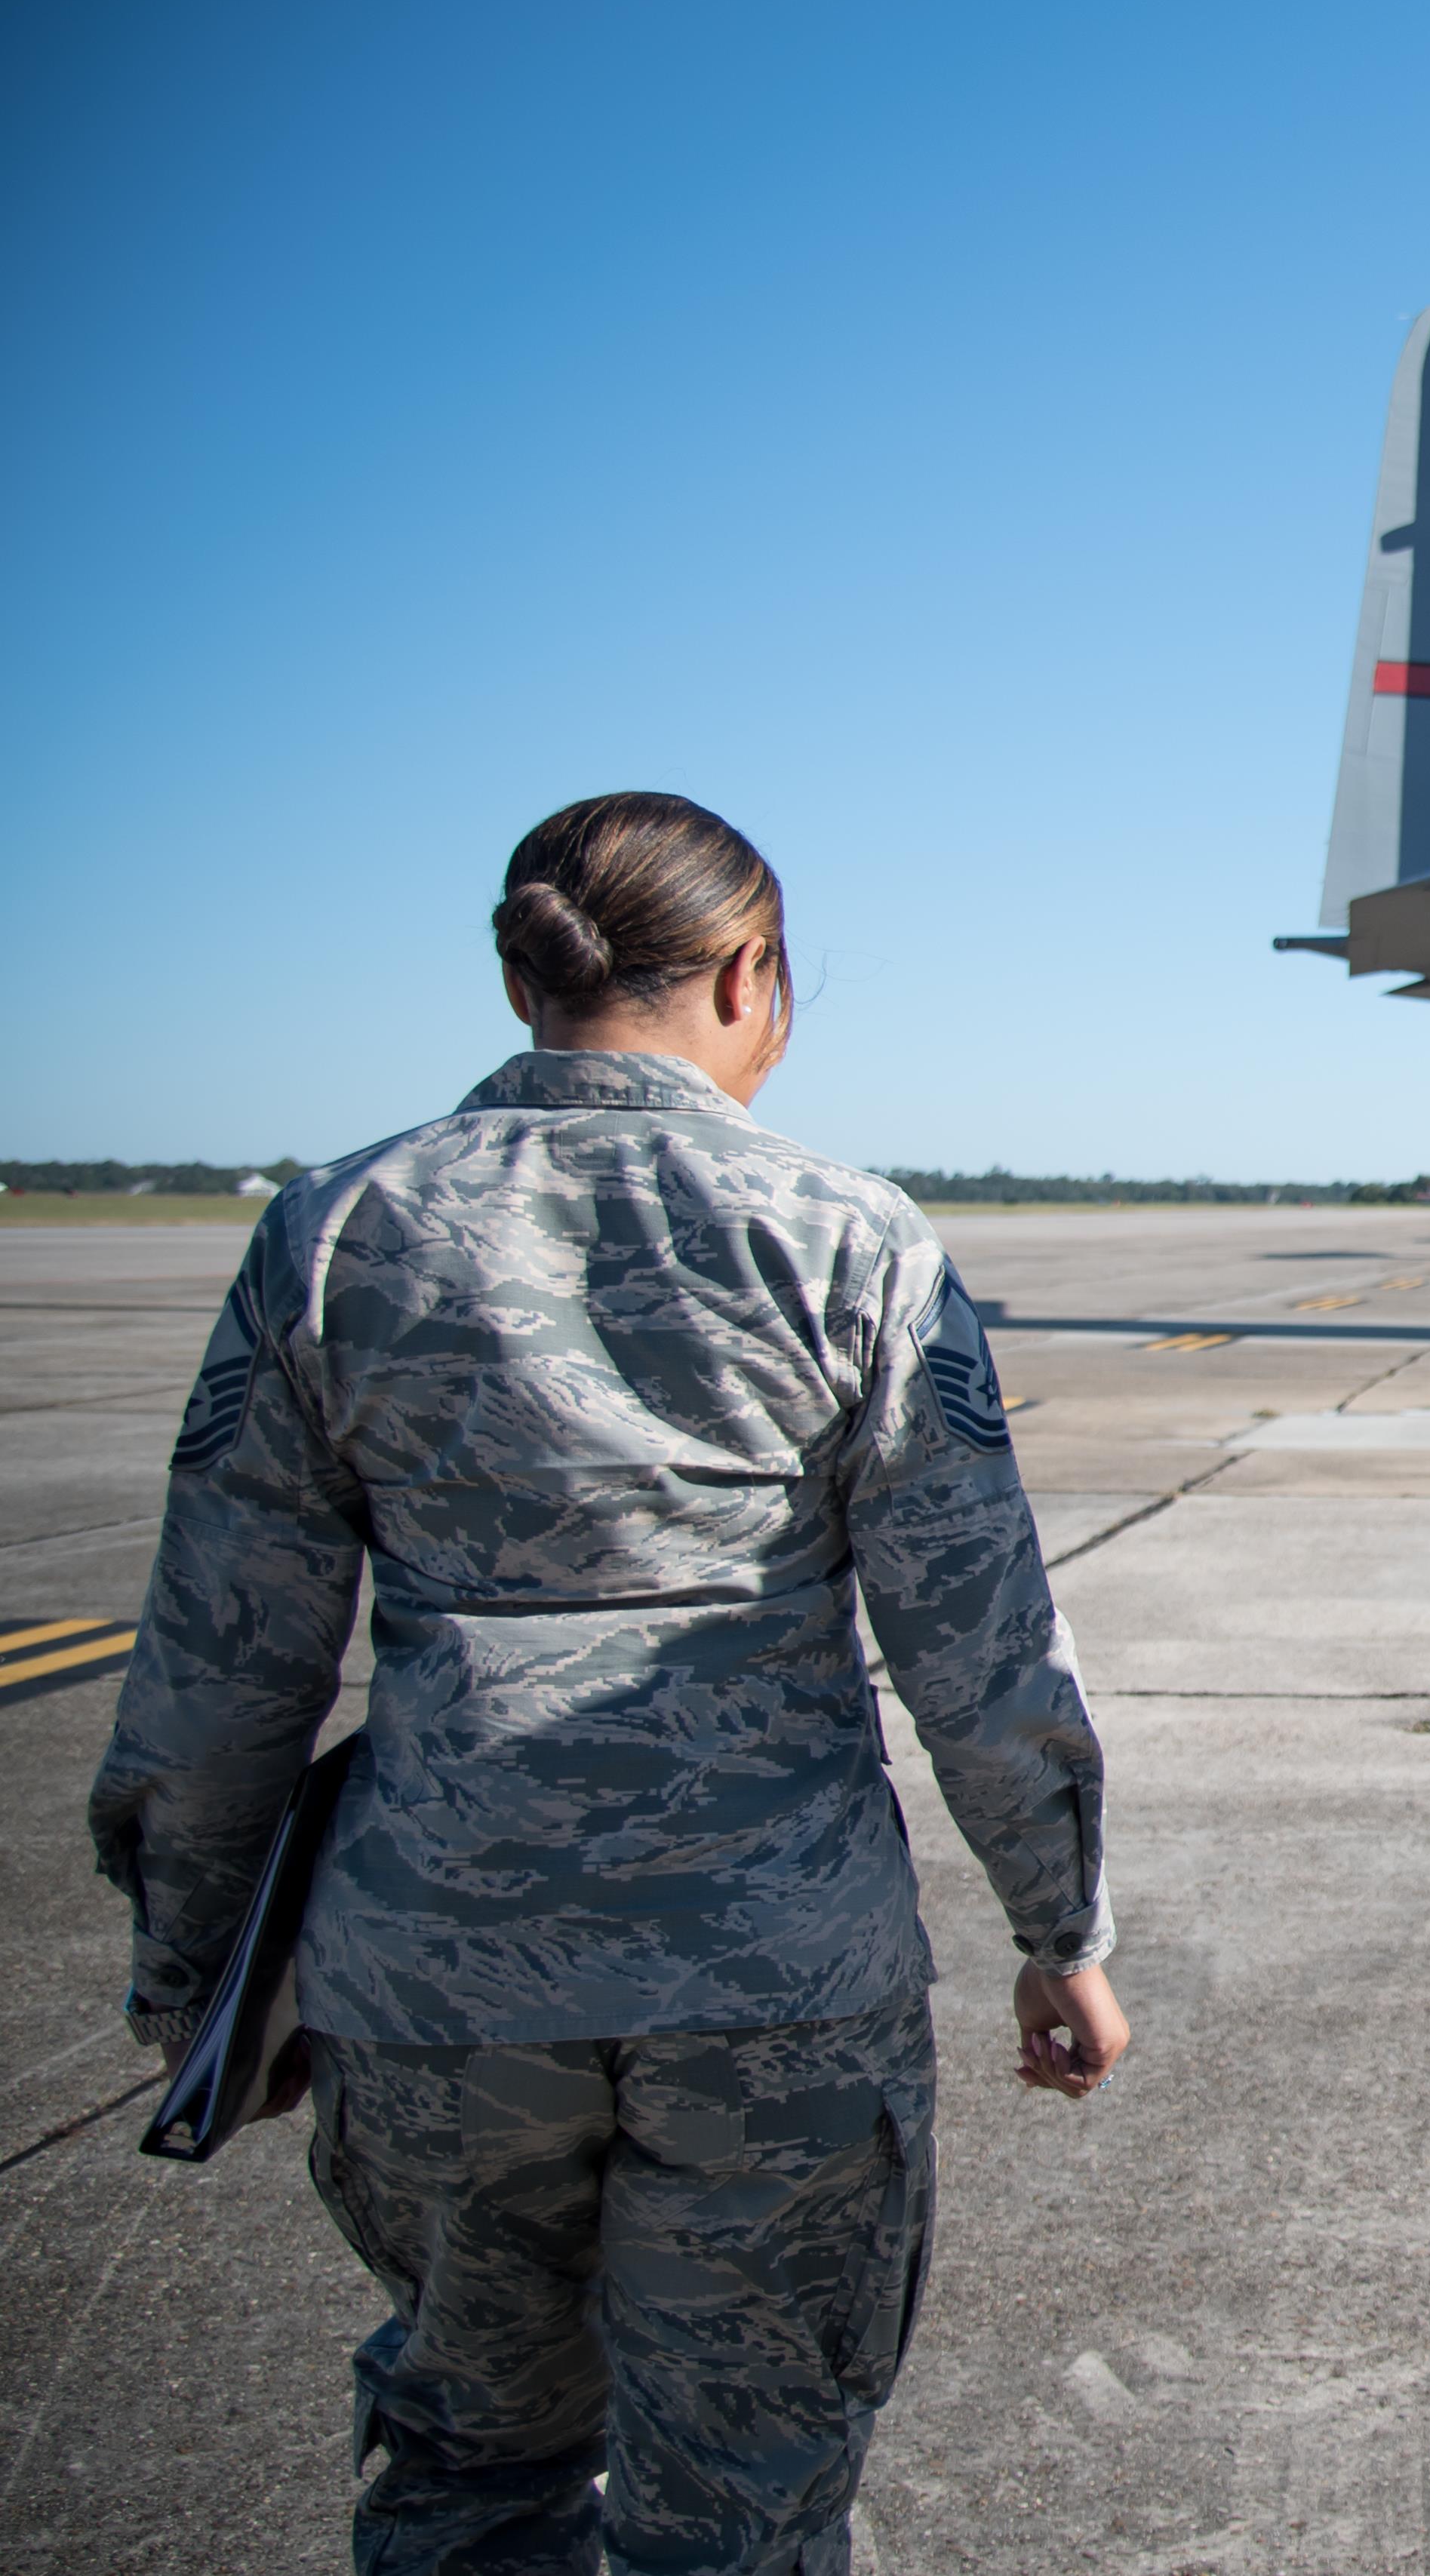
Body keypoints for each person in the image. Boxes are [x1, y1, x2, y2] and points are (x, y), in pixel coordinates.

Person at [90, 792, 1124, 2576]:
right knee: (748, 2495)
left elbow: (223, 1655)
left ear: (523, 976)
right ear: (750, 973)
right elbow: (980, 1637)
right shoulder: (849, 1236)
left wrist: (195, 1972)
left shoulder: (335, 1230)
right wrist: (1061, 1926)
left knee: (473, 2472)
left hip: (436, 1975)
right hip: (772, 1982)